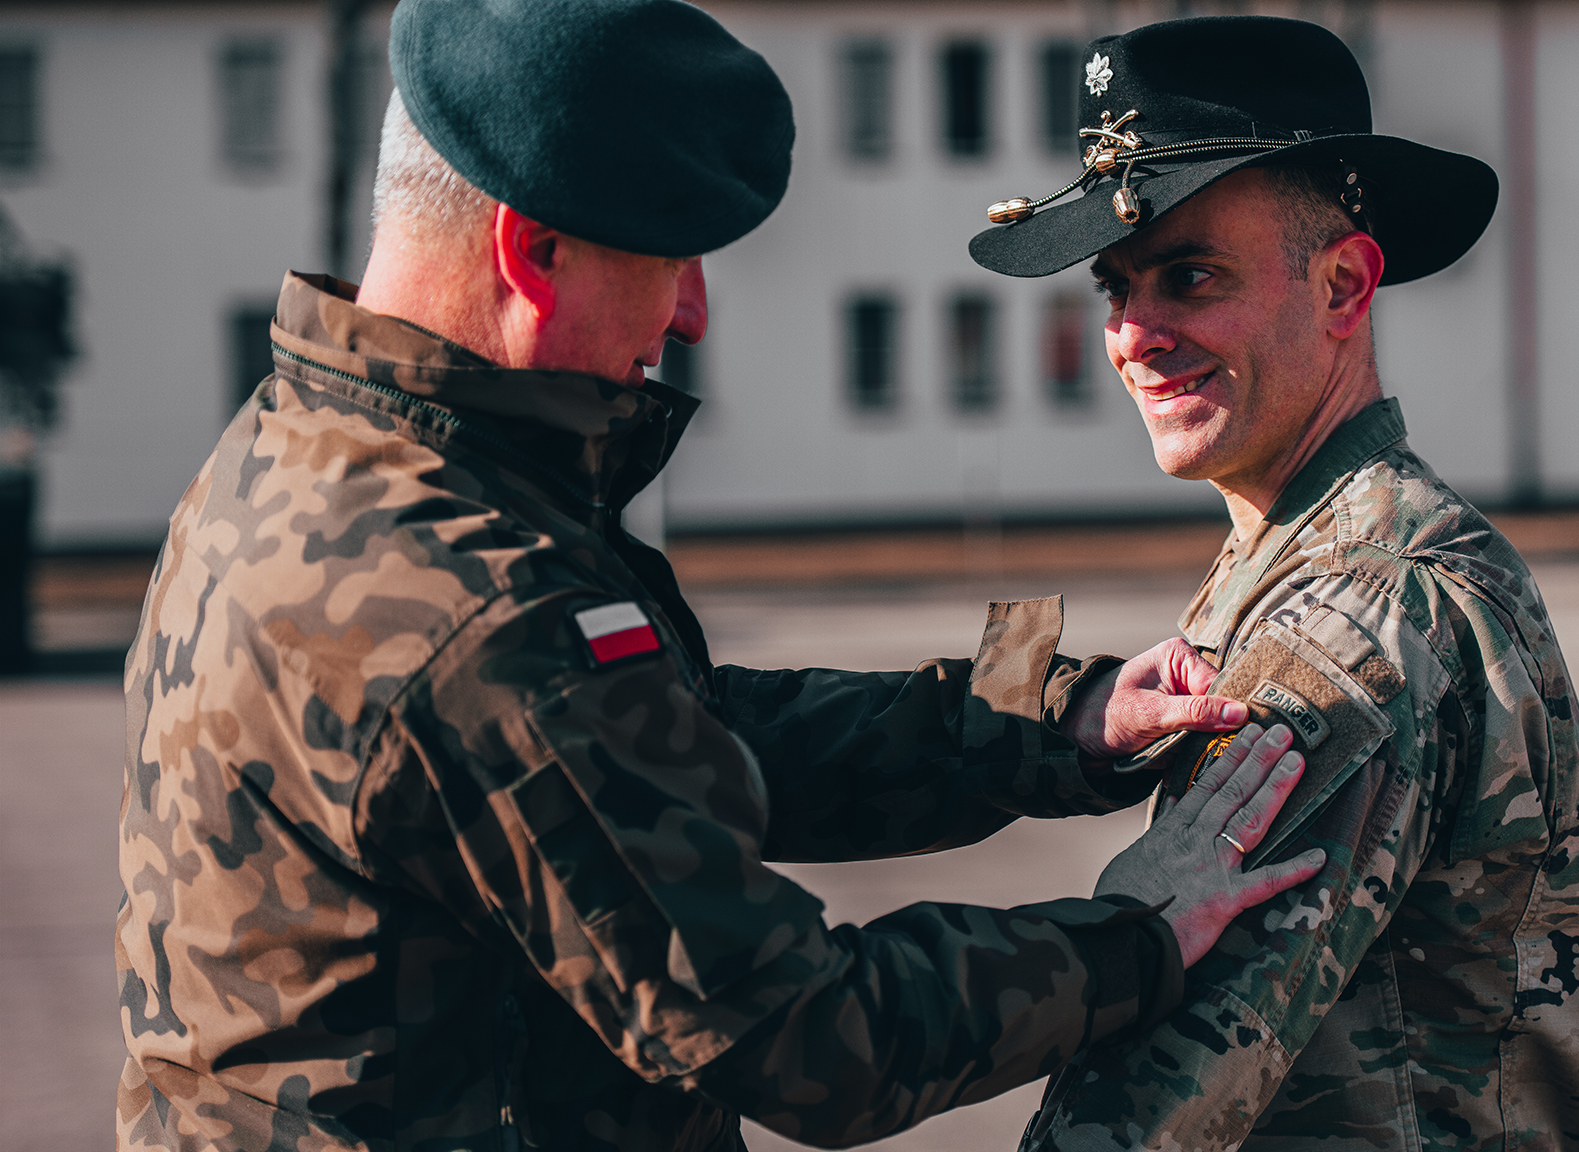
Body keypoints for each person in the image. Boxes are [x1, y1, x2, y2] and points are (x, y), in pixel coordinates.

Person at [113, 2, 1329, 1148]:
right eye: (673, 260)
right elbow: (807, 1034)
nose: (692, 313)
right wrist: (1140, 937)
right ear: (533, 252)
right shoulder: (464, 599)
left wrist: (1049, 720)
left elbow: (662, 743)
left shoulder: (300, 450)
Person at [969, 16, 1579, 1150]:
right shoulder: (1315, 551)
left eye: (1188, 275)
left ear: (1340, 287)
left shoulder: (1357, 617)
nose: (1134, 334)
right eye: (1114, 288)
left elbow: (1147, 1103)